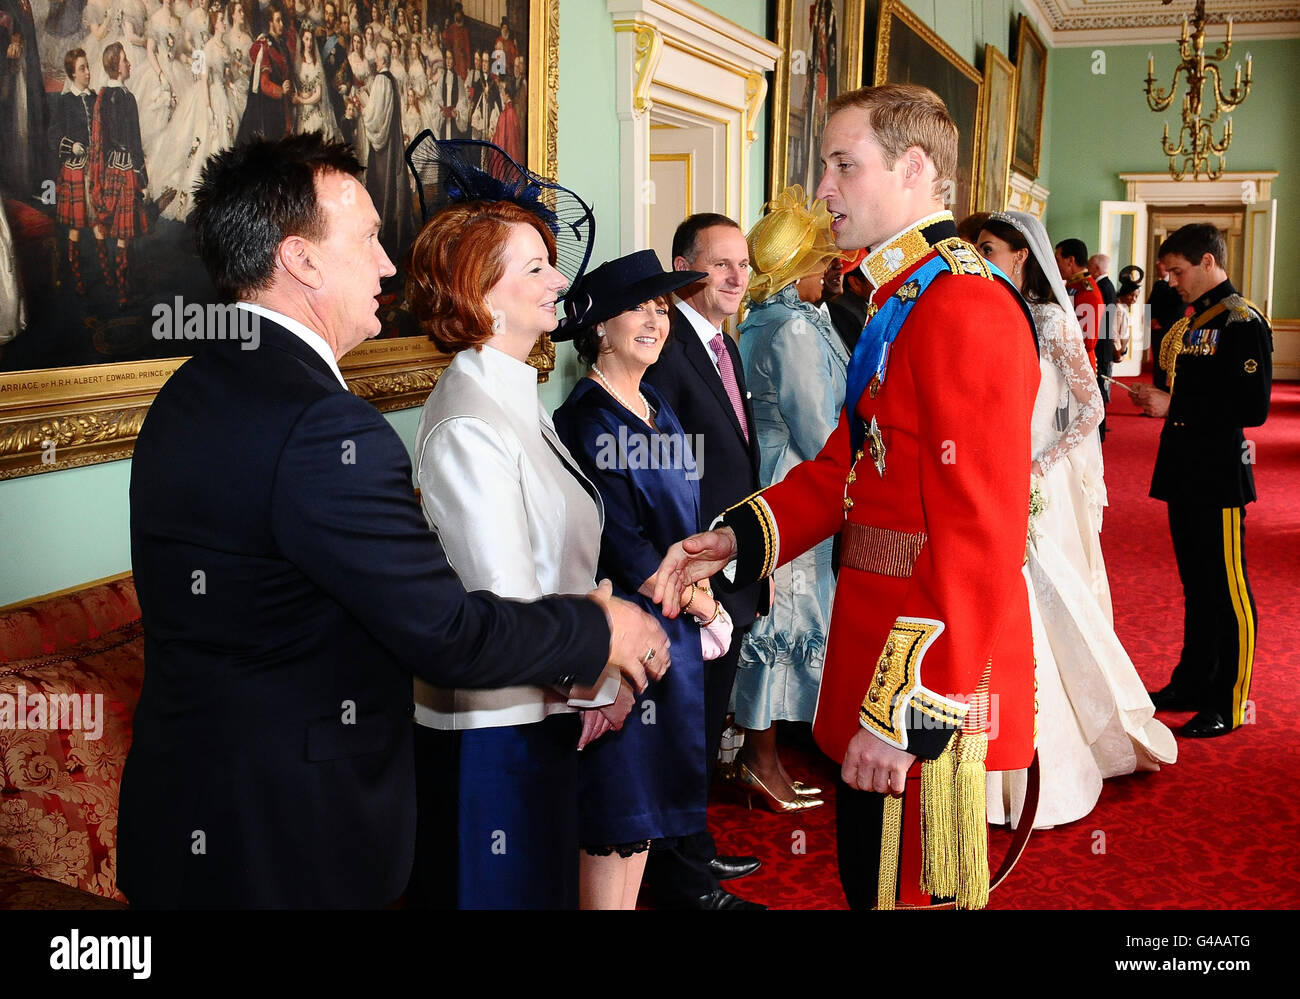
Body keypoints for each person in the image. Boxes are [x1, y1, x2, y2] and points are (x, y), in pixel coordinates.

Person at [118, 132, 669, 909]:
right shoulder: (323, 427)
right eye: (371, 238)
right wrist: (600, 629)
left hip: (187, 822)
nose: (386, 265)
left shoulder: (185, 392)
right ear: (302, 260)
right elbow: (448, 634)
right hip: (291, 845)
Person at [652, 84, 1040, 910]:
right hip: (873, 651)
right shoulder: (904, 297)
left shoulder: (964, 304)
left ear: (913, 167)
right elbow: (846, 468)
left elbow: (981, 531)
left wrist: (909, 712)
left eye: (842, 165)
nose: (823, 189)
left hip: (921, 670)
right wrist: (737, 540)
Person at [401, 188, 631, 911]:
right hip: (489, 733)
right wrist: (600, 669)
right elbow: (500, 604)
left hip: (538, 712)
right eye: (535, 268)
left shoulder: (512, 392)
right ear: (480, 295)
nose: (559, 281)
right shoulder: (470, 419)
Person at [976, 211, 1176, 829]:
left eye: (988, 248)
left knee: (1042, 598)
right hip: (989, 475)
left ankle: (1047, 758)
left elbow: (1088, 406)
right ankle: (989, 762)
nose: (978, 257)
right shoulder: (981, 314)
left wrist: (1039, 463)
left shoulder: (1053, 319)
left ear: (1019, 256)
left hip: (1041, 479)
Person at [554, 249, 735, 910]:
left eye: (662, 307)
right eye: (639, 307)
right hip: (627, 645)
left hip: (674, 640)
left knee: (644, 830)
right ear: (599, 325)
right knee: (615, 821)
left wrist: (701, 586)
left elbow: (681, 515)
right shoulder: (586, 419)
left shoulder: (657, 401)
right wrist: (694, 596)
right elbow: (617, 541)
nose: (655, 320)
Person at [641, 212, 767, 910]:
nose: (736, 276)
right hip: (694, 581)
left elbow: (738, 467)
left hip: (735, 572)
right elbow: (668, 479)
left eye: (743, 264)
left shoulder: (726, 343)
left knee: (707, 724)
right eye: (720, 264)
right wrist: (695, 578)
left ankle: (695, 850)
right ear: (685, 266)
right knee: (684, 729)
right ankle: (680, 878)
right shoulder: (668, 350)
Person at [731, 185, 846, 812]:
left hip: (775, 478)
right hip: (798, 480)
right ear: (794, 267)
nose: (829, 271)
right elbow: (816, 428)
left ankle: (755, 754)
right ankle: (761, 760)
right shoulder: (793, 330)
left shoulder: (764, 320)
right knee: (784, 622)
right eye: (820, 262)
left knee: (775, 620)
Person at [1135, 223, 1272, 738]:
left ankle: (1230, 699)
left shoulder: (1242, 321)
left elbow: (1252, 408)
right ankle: (1193, 680)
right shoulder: (1195, 321)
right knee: (1197, 584)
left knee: (1228, 588)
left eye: (1178, 271)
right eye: (1167, 271)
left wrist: (1175, 405)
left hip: (1218, 471)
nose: (1170, 280)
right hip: (1185, 468)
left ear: (1209, 263)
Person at [89, 41, 148, 308]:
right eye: (125, 61)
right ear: (117, 67)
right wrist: (142, 178)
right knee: (124, 233)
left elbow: (101, 141)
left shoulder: (102, 97)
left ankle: (112, 279)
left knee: (109, 227)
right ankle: (123, 291)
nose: (129, 64)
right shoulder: (126, 98)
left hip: (110, 171)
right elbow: (134, 142)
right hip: (125, 173)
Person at [49, 48, 98, 296]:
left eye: (88, 67)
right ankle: (76, 276)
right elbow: (54, 136)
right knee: (77, 226)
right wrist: (72, 145)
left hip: (95, 169)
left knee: (99, 222)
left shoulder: (94, 98)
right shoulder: (64, 101)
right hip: (76, 170)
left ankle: (105, 273)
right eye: (82, 68)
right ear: (72, 73)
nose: (88, 72)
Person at [235, 5, 294, 142]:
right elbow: (264, 85)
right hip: (269, 110)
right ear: (270, 23)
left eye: (281, 20)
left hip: (282, 108)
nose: (281, 24)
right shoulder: (264, 47)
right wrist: (281, 90)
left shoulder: (283, 45)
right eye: (278, 21)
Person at [1054, 237, 1105, 375]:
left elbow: (1088, 340)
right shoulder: (1074, 285)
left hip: (1079, 366)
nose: (1055, 265)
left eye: (1057, 260)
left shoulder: (1087, 292)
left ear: (1070, 260)